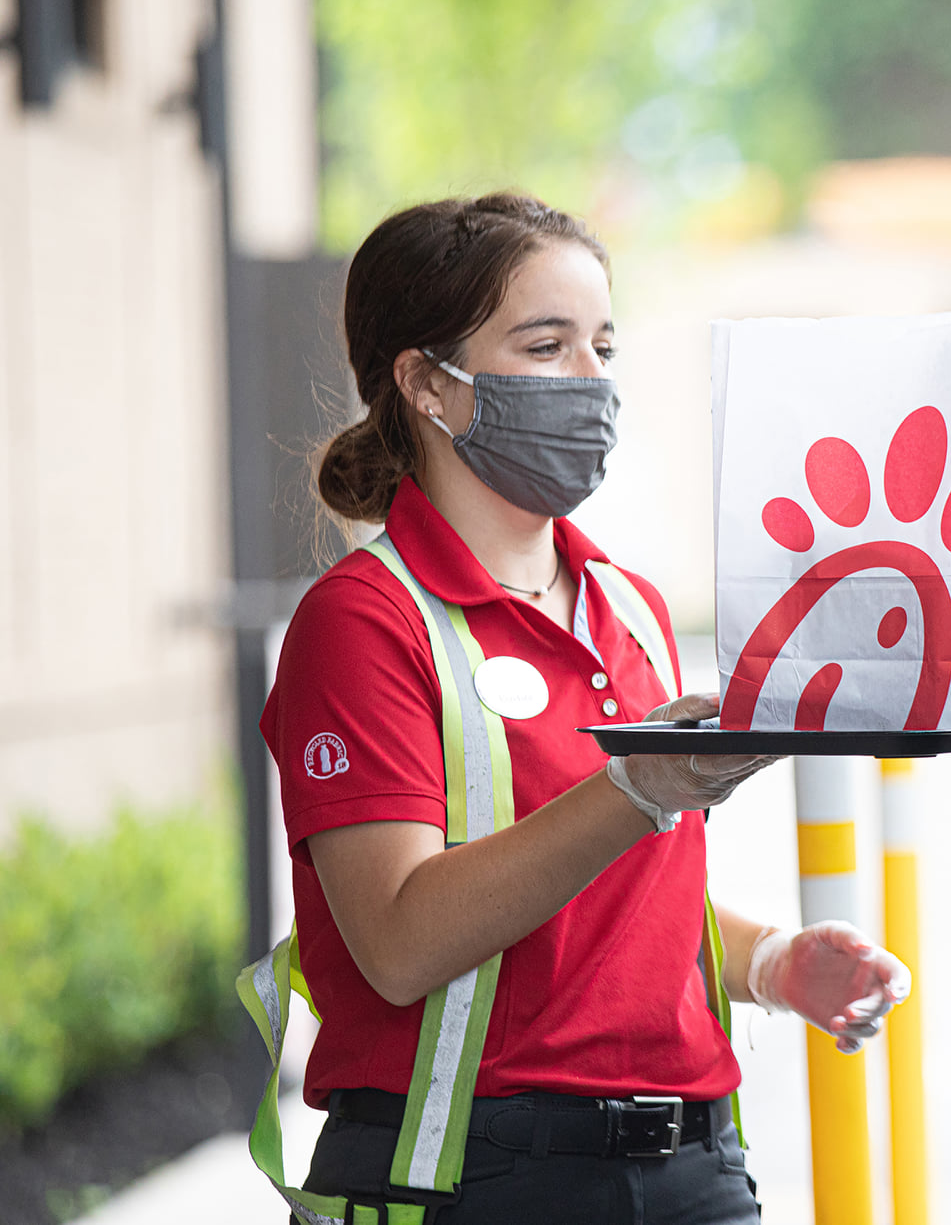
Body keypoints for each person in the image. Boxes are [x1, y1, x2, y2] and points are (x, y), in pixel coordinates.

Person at [248, 192, 910, 1224]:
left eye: (603, 345)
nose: (593, 380)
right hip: (473, 1177)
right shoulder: (364, 621)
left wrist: (768, 961)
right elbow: (400, 943)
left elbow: (616, 903)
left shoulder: (630, 607)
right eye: (546, 346)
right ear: (428, 383)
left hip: (694, 1163)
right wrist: (637, 787)